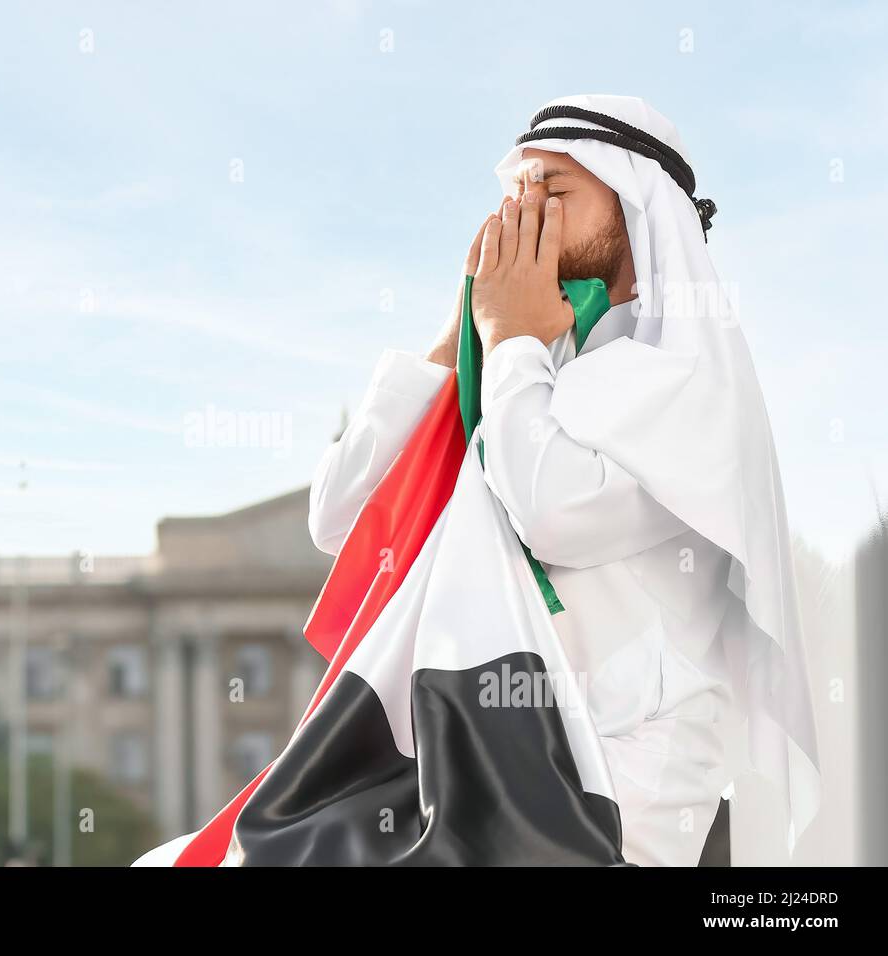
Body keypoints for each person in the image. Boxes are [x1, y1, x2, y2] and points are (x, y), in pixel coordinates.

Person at [133, 94, 820, 867]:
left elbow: (552, 513)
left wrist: (512, 340)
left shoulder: (688, 379)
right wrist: (462, 328)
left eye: (554, 191)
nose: (525, 212)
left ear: (637, 214)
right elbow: (341, 519)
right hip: (467, 771)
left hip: (612, 795)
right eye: (517, 193)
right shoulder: (513, 367)